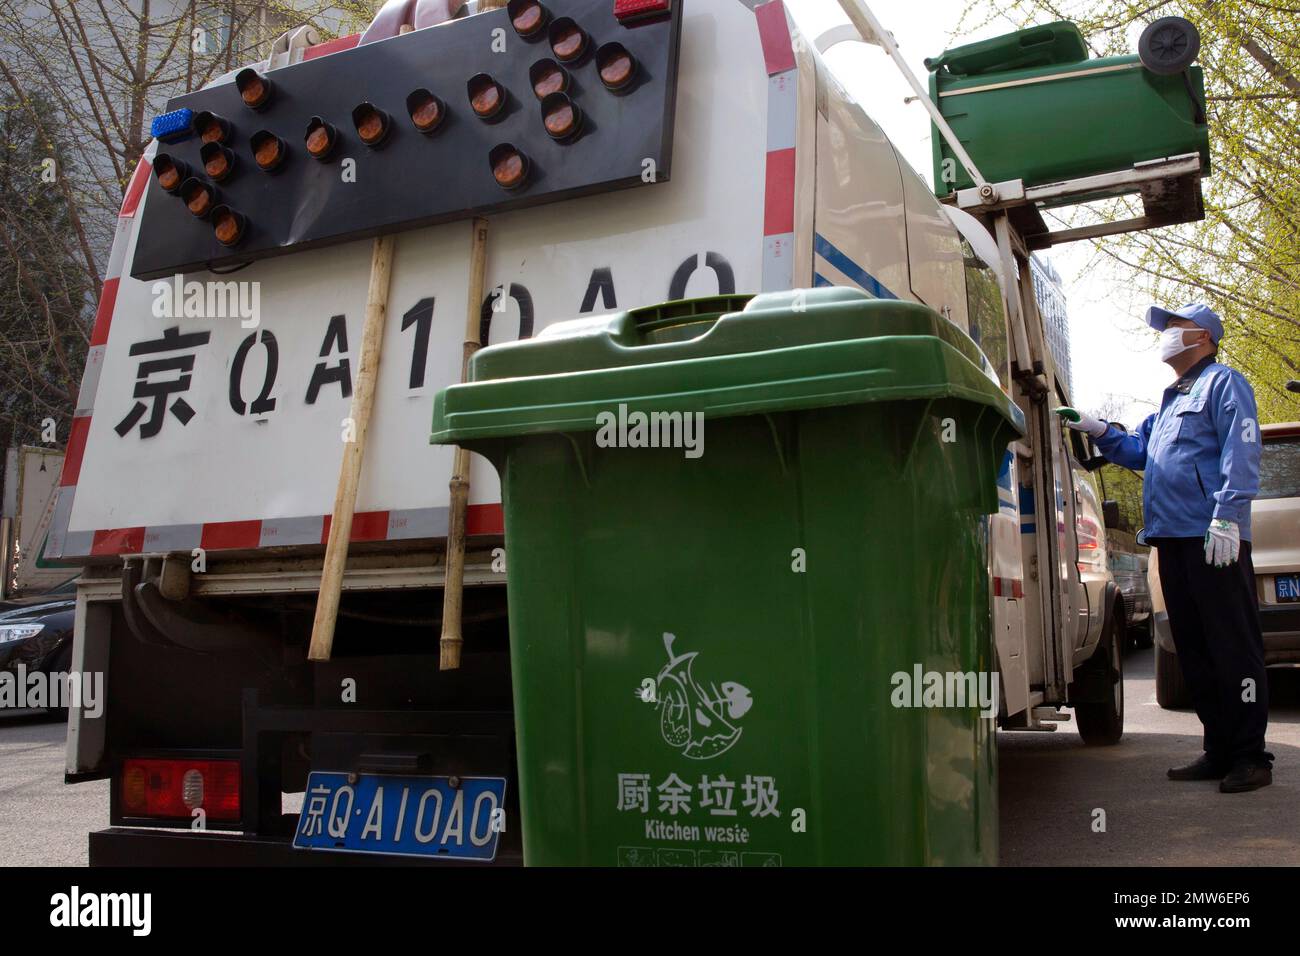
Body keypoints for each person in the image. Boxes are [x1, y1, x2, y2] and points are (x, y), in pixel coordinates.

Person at [1056, 303, 1271, 793]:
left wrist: (1227, 516)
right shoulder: (1171, 401)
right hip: (1171, 540)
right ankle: (1218, 749)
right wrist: (1095, 428)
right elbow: (1138, 450)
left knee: (1233, 646)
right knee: (1195, 650)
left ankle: (1250, 756)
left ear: (1203, 336)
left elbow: (1243, 449)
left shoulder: (1224, 383)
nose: (1167, 336)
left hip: (1213, 538)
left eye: (1174, 327)